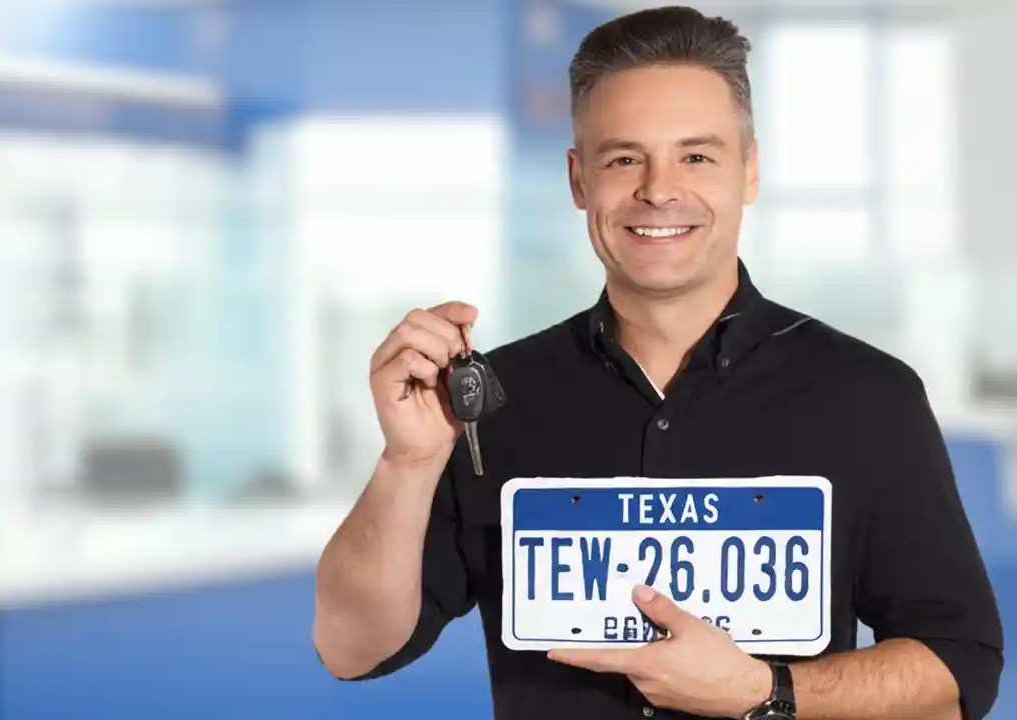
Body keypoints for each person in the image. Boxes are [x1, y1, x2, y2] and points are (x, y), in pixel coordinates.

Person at [311, 6, 1004, 719]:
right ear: (580, 180)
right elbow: (351, 646)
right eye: (623, 159)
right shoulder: (493, 404)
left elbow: (957, 669)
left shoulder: (868, 397)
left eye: (696, 156)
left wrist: (767, 692)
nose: (658, 188)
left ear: (750, 169)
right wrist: (409, 462)